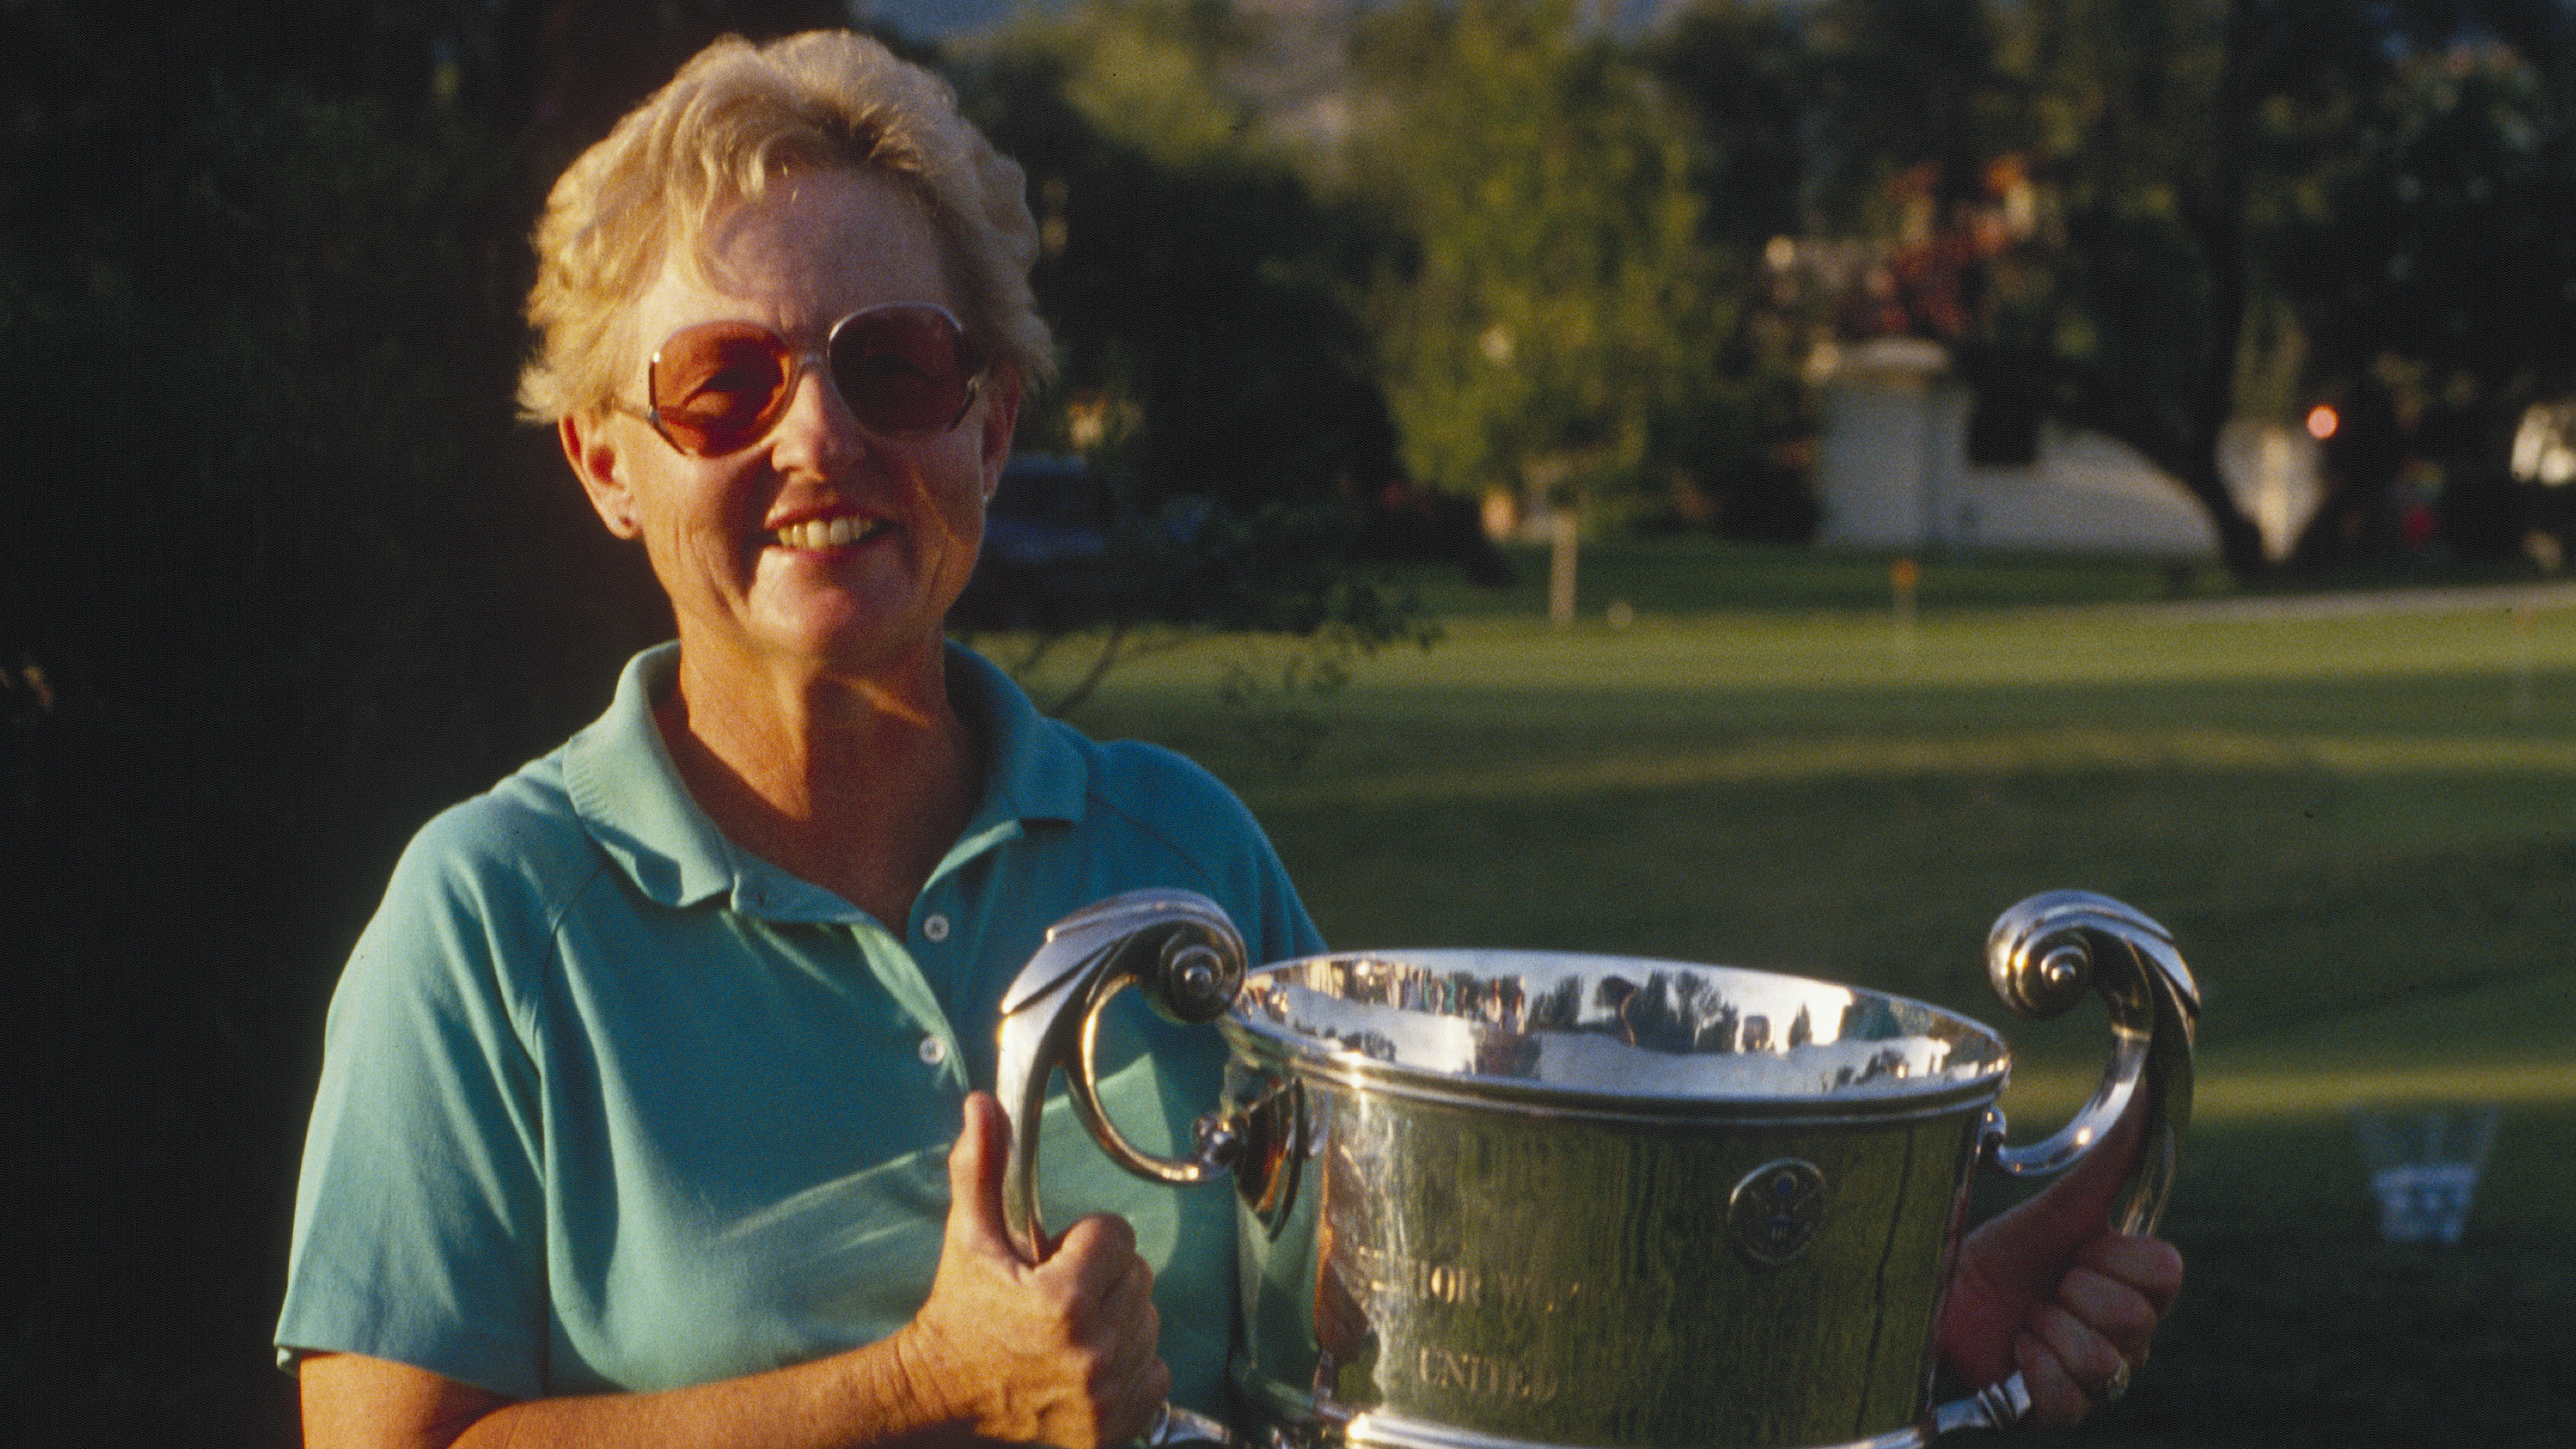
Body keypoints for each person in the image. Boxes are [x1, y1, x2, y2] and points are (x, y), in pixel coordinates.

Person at [278, 30, 2180, 1449]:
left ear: (993, 423)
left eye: (897, 366)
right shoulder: (490, 918)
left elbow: (1402, 1347)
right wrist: (916, 1381)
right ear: (610, 461)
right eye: (724, 384)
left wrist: (1884, 1314)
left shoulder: (1180, 851)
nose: (818, 439)